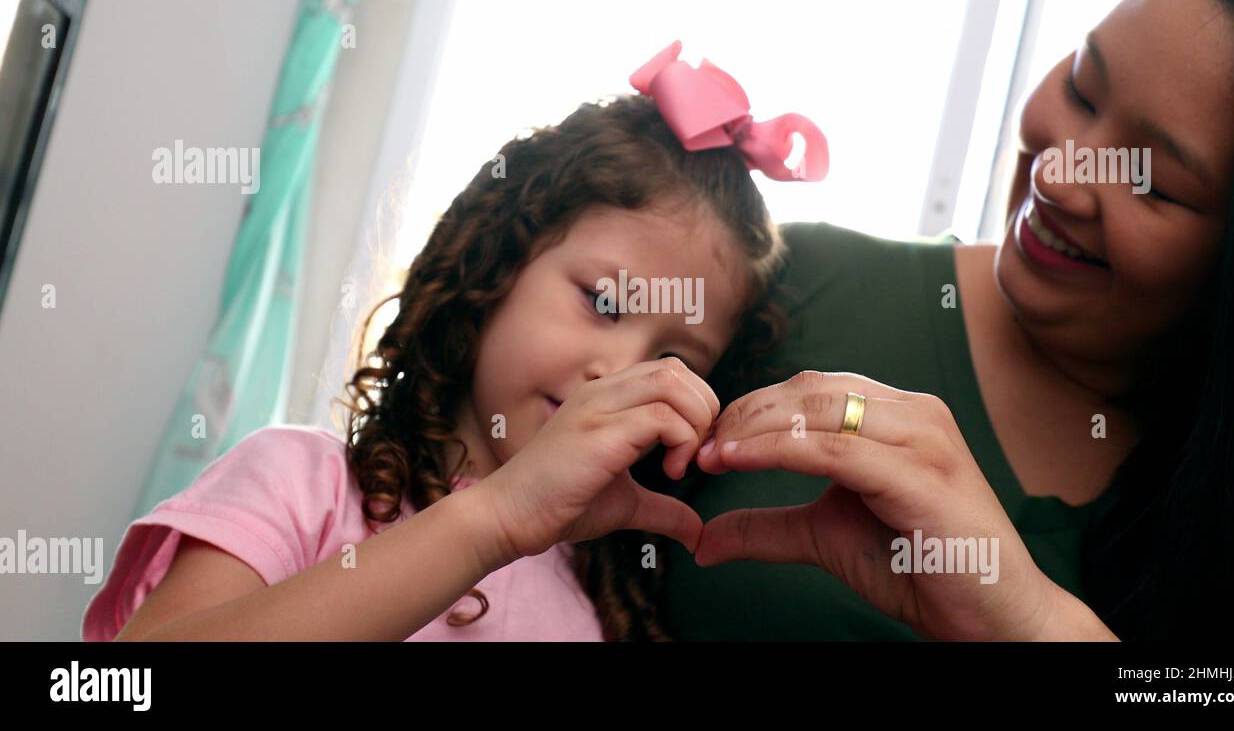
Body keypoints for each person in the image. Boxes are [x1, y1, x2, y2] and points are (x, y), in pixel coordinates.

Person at [82, 43, 828, 641]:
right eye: (603, 301)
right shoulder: (300, 485)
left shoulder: (604, 614)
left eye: (672, 362)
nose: (620, 371)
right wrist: (490, 521)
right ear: (497, 265)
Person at [659, 0, 1234, 641]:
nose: (1057, 174)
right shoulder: (791, 279)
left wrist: (1033, 620)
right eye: (1083, 90)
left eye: (1150, 180)